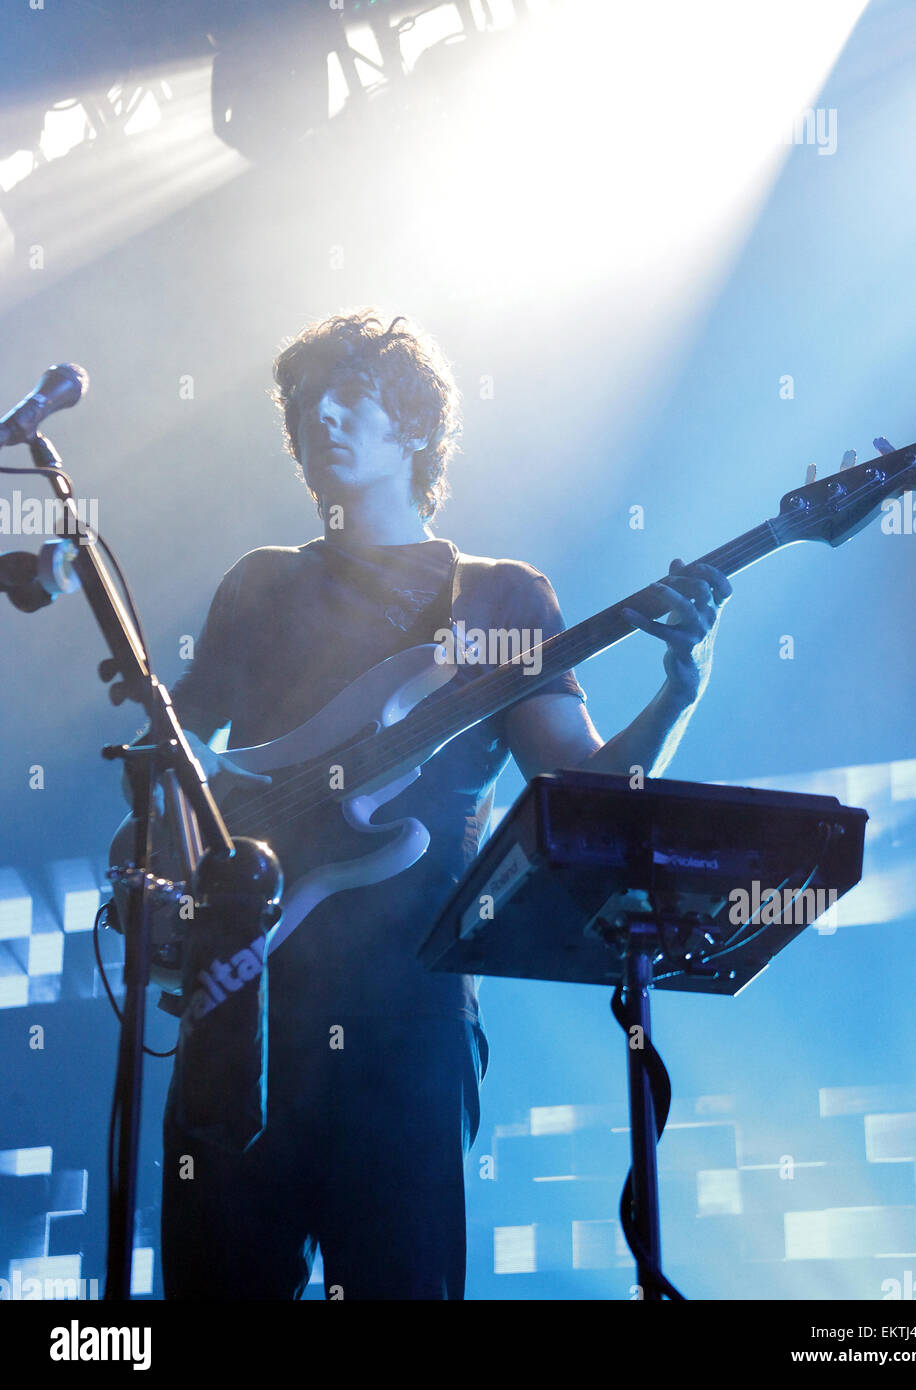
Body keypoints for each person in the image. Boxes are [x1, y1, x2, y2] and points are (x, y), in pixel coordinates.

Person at [155, 309, 732, 1300]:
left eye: (352, 397)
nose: (321, 416)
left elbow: (586, 792)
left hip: (407, 1013)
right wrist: (182, 915)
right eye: (304, 403)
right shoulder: (258, 586)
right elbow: (182, 773)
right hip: (242, 1004)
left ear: (418, 428)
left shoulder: (500, 600)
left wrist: (679, 688)